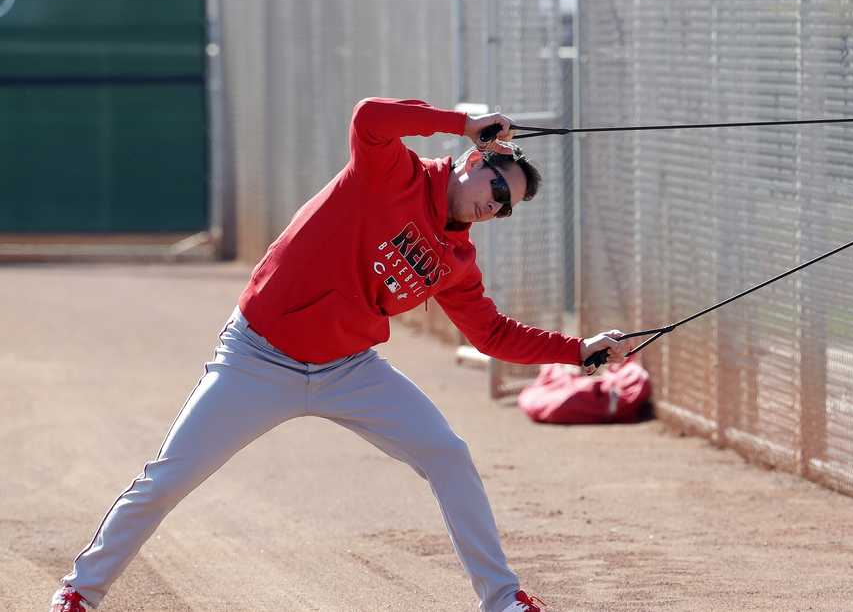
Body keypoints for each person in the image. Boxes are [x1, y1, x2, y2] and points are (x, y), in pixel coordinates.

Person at [49, 98, 633, 612]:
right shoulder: (392, 172)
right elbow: (370, 117)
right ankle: (80, 592)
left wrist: (578, 350)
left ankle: (502, 599)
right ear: (475, 161)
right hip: (258, 357)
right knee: (168, 478)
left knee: (448, 455)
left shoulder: (457, 260)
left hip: (348, 370)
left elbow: (492, 334)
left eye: (508, 207)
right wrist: (462, 121)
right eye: (499, 190)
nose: (496, 206)